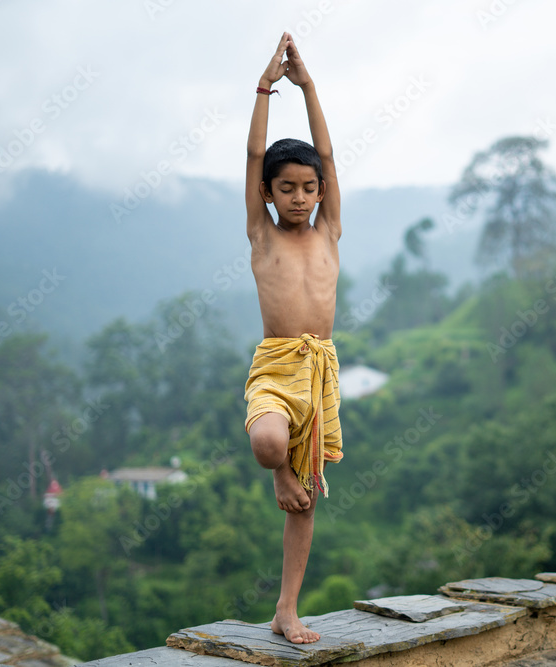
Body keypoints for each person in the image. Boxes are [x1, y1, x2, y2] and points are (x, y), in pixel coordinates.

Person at [243, 32, 341, 645]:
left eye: (308, 187)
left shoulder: (329, 230)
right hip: (278, 366)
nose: (300, 196)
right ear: (267, 193)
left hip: (320, 371)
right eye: (287, 188)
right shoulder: (263, 236)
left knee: (307, 505)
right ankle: (278, 471)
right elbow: (254, 155)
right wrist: (265, 90)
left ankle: (286, 609)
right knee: (269, 444)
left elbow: (328, 157)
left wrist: (309, 87)